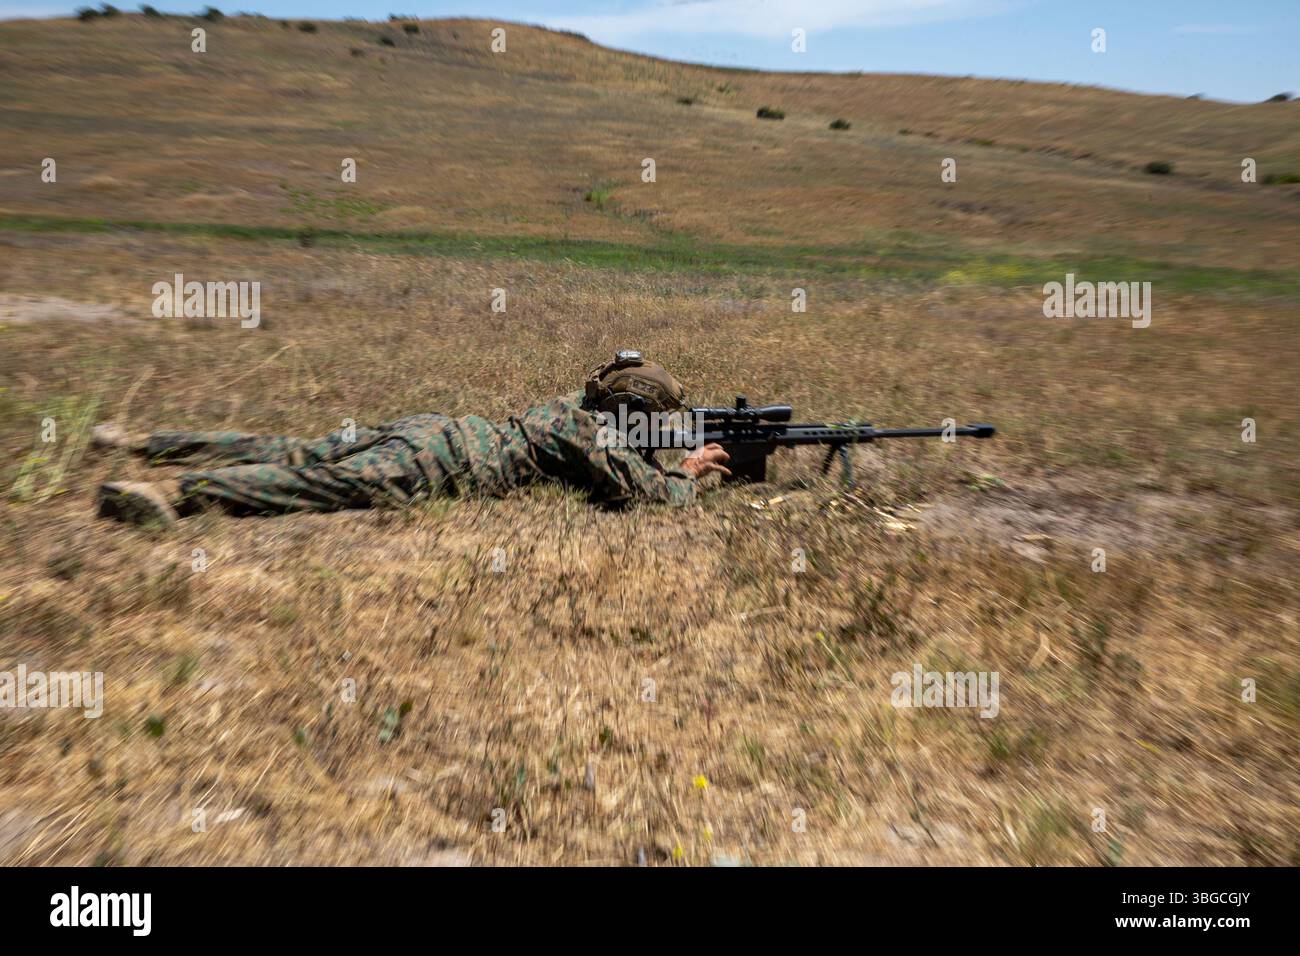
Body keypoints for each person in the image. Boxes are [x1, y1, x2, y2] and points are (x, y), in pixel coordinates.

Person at [93, 351, 732, 527]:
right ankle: (175, 492)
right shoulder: (590, 436)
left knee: (297, 448)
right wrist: (688, 470)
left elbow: (620, 445)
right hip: (435, 464)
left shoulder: (577, 404)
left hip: (434, 428)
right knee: (316, 485)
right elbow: (647, 497)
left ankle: (148, 441)